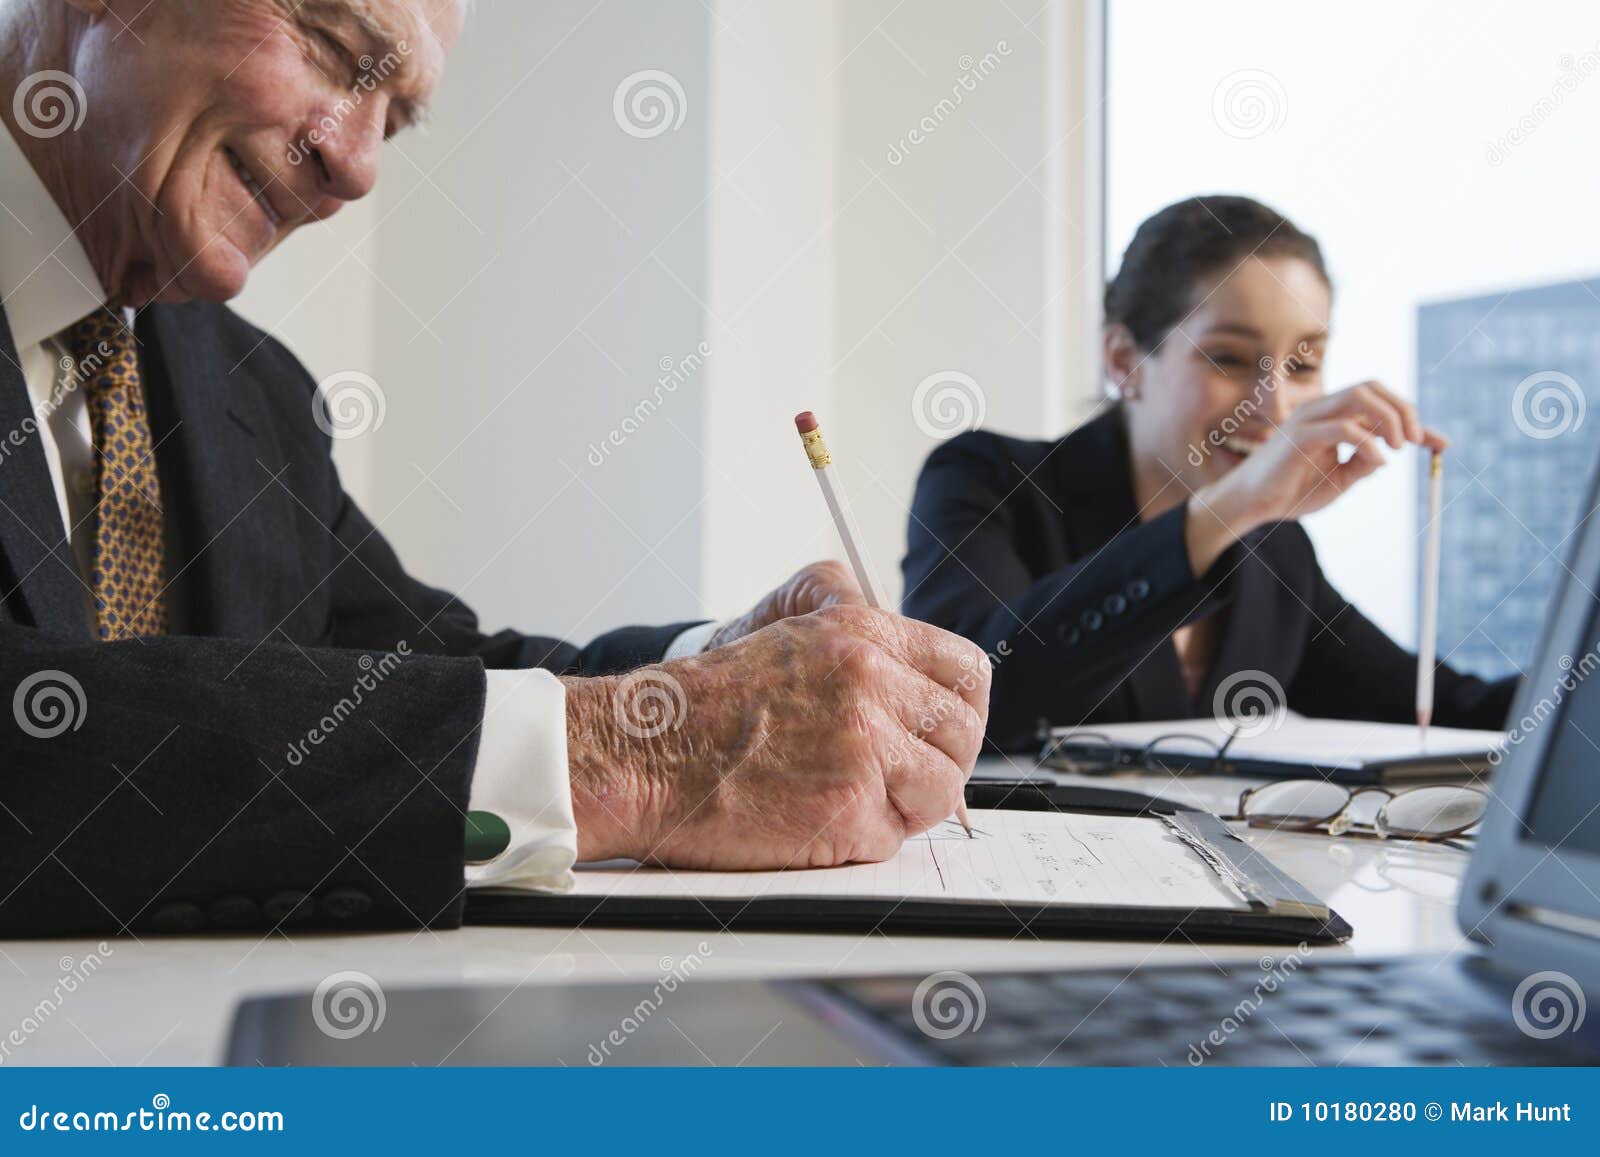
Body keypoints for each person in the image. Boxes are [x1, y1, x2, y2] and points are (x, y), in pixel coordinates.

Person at [0, 0, 989, 937]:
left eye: (393, 124)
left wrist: (716, 671)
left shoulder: (253, 391)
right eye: (334, 48)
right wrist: (638, 755)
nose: (353, 166)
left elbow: (413, 668)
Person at [902, 194, 1514, 752]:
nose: (1274, 408)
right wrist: (1234, 508)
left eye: (1303, 365)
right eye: (1228, 358)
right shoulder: (989, 481)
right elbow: (961, 701)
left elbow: (1462, 713)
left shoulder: (1277, 556)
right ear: (1124, 361)